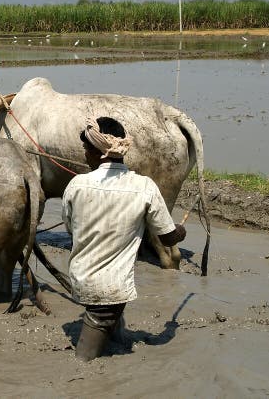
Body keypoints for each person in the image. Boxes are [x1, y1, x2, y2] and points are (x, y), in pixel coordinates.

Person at [62, 116, 187, 362]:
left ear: (98, 153)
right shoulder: (145, 187)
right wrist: (180, 231)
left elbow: (70, 227)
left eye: (86, 150)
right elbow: (168, 237)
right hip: (112, 286)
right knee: (82, 364)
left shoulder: (76, 184)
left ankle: (115, 341)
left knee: (113, 328)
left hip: (81, 279)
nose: (84, 155)